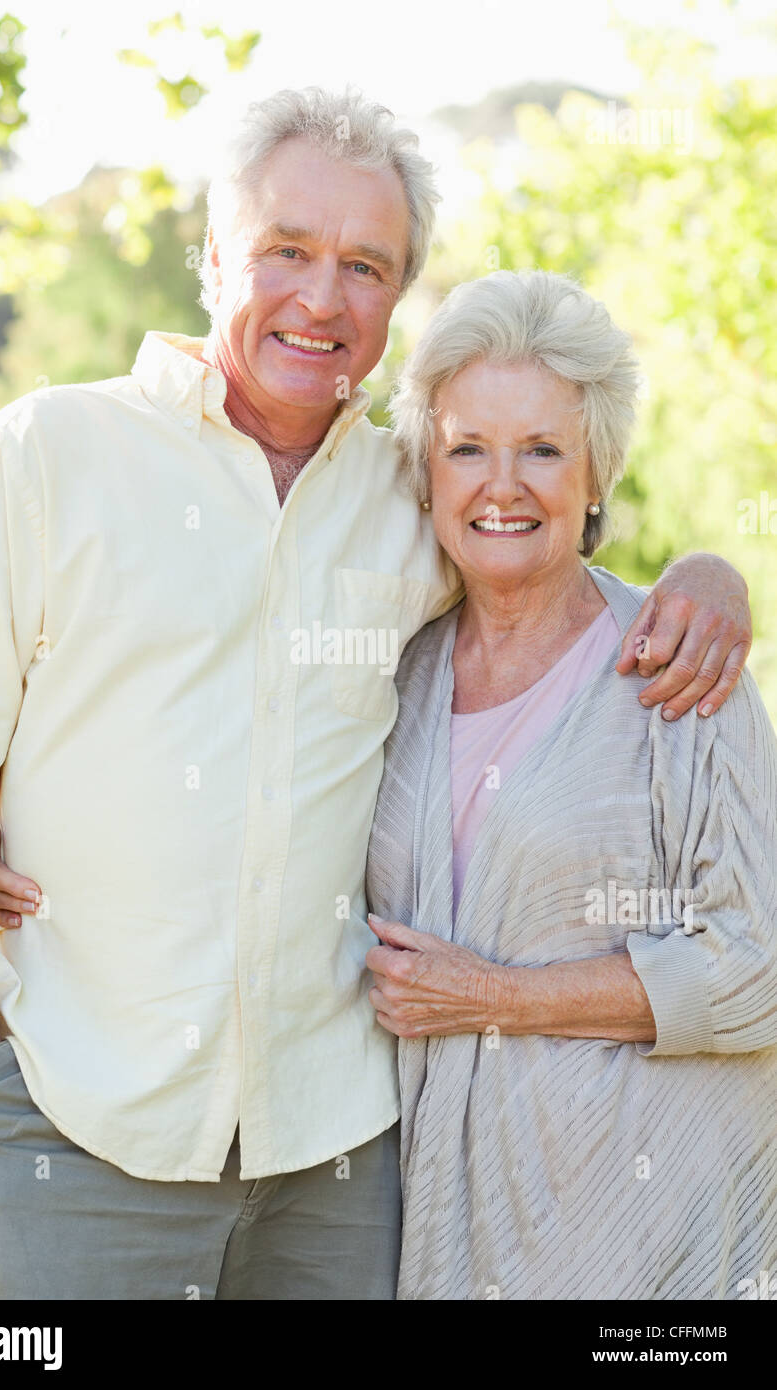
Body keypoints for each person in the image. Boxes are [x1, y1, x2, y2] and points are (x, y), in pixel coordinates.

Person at [0, 90, 753, 1302]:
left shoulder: (408, 493)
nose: (322, 298)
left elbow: (534, 542)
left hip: (334, 1169)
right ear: (210, 255)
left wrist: (708, 575)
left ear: (399, 293)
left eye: (366, 265)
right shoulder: (45, 459)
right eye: (286, 251)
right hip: (60, 1133)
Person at [365, 269, 777, 1300]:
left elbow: (754, 968)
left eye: (541, 450)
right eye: (467, 448)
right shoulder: (387, 675)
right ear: (426, 472)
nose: (501, 485)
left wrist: (493, 997)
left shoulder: (680, 665)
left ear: (596, 474)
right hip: (443, 1237)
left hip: (646, 1246)